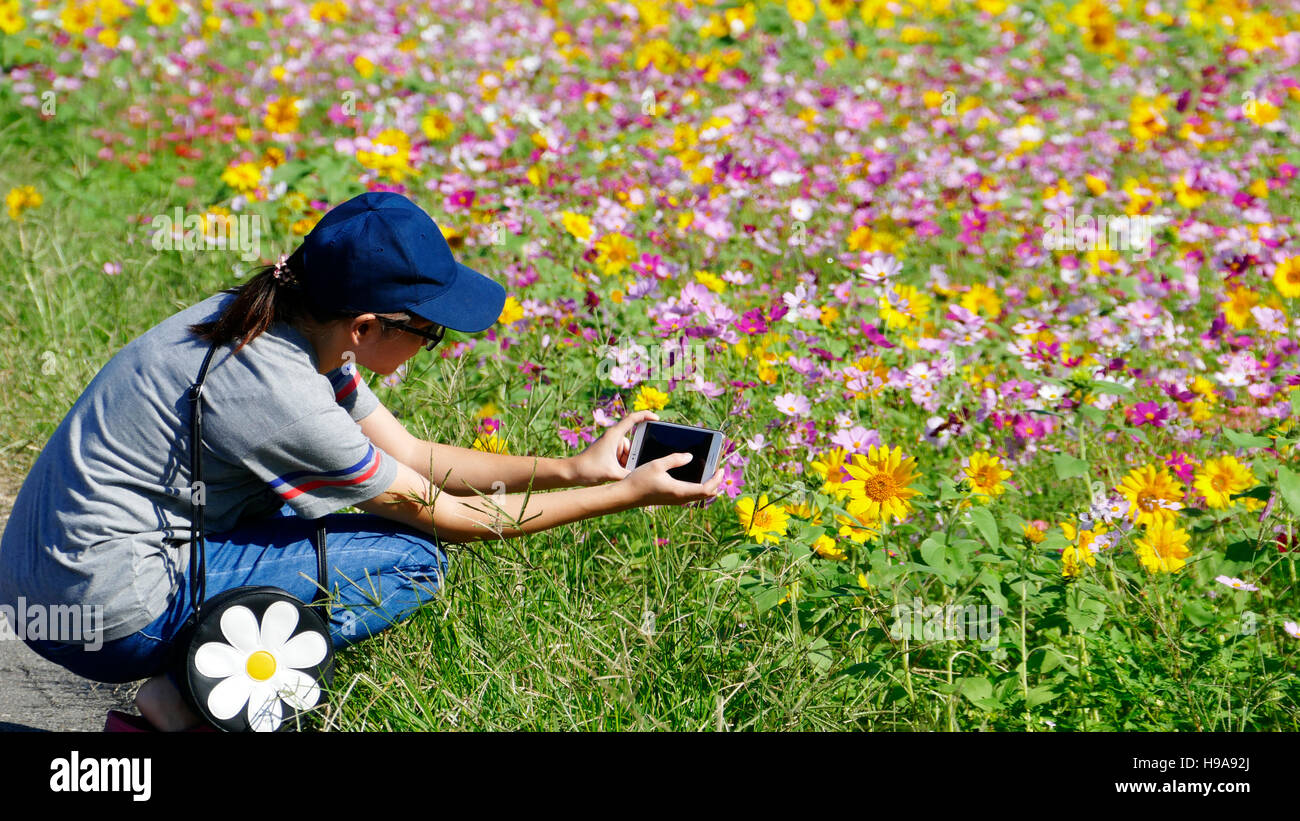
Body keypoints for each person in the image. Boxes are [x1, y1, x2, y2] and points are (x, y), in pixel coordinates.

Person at [0, 191, 724, 731]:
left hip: (55, 573)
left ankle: (174, 685)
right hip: (102, 608)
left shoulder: (274, 322)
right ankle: (182, 702)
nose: (434, 345)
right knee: (410, 561)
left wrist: (581, 467)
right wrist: (630, 494)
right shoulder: (284, 394)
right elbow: (454, 518)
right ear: (368, 325)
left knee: (302, 500)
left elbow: (412, 455)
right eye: (430, 332)